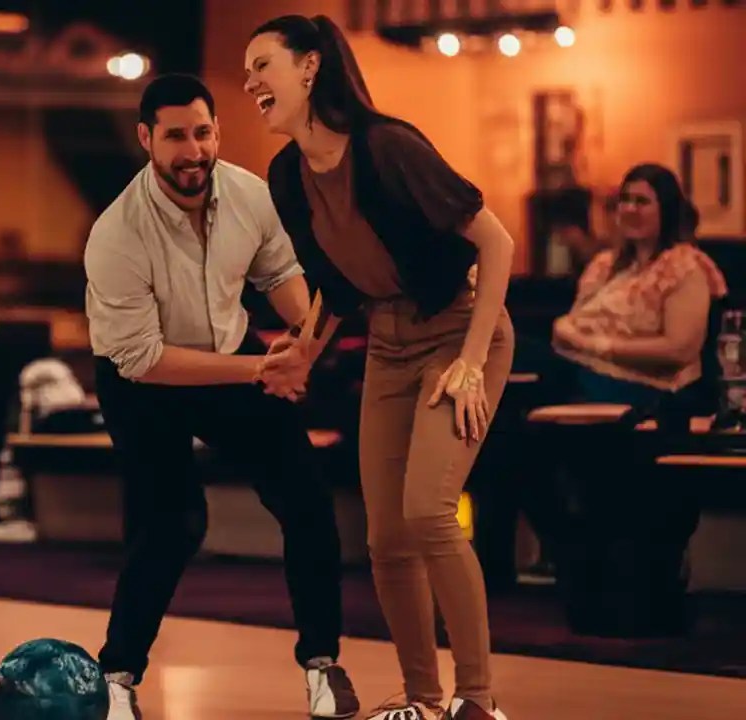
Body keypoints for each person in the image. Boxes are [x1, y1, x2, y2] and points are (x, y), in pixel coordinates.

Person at [244, 15, 517, 720]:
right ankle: (425, 700)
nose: (250, 82)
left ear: (309, 68)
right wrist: (306, 346)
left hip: (461, 331)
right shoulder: (288, 174)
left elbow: (496, 241)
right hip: (389, 345)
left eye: (262, 65)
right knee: (385, 538)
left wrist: (469, 361)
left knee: (429, 512)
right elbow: (337, 280)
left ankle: (478, 701)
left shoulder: (387, 146)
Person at [84, 73, 360, 720]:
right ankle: (118, 677)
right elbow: (144, 359)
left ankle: (323, 668)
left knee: (307, 501)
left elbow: (283, 279)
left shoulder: (248, 194)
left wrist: (305, 348)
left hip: (234, 359)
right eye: (175, 136)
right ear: (147, 139)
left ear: (217, 131)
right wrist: (265, 370)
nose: (193, 151)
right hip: (141, 380)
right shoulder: (115, 234)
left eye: (202, 132)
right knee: (173, 525)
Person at [552, 163, 728, 409]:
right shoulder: (604, 264)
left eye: (642, 201)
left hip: (645, 389)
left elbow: (679, 350)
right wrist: (565, 331)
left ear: (665, 211)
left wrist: (602, 346)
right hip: (578, 368)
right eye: (625, 200)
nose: (630, 209)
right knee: (510, 356)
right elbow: (573, 325)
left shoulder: (684, 266)